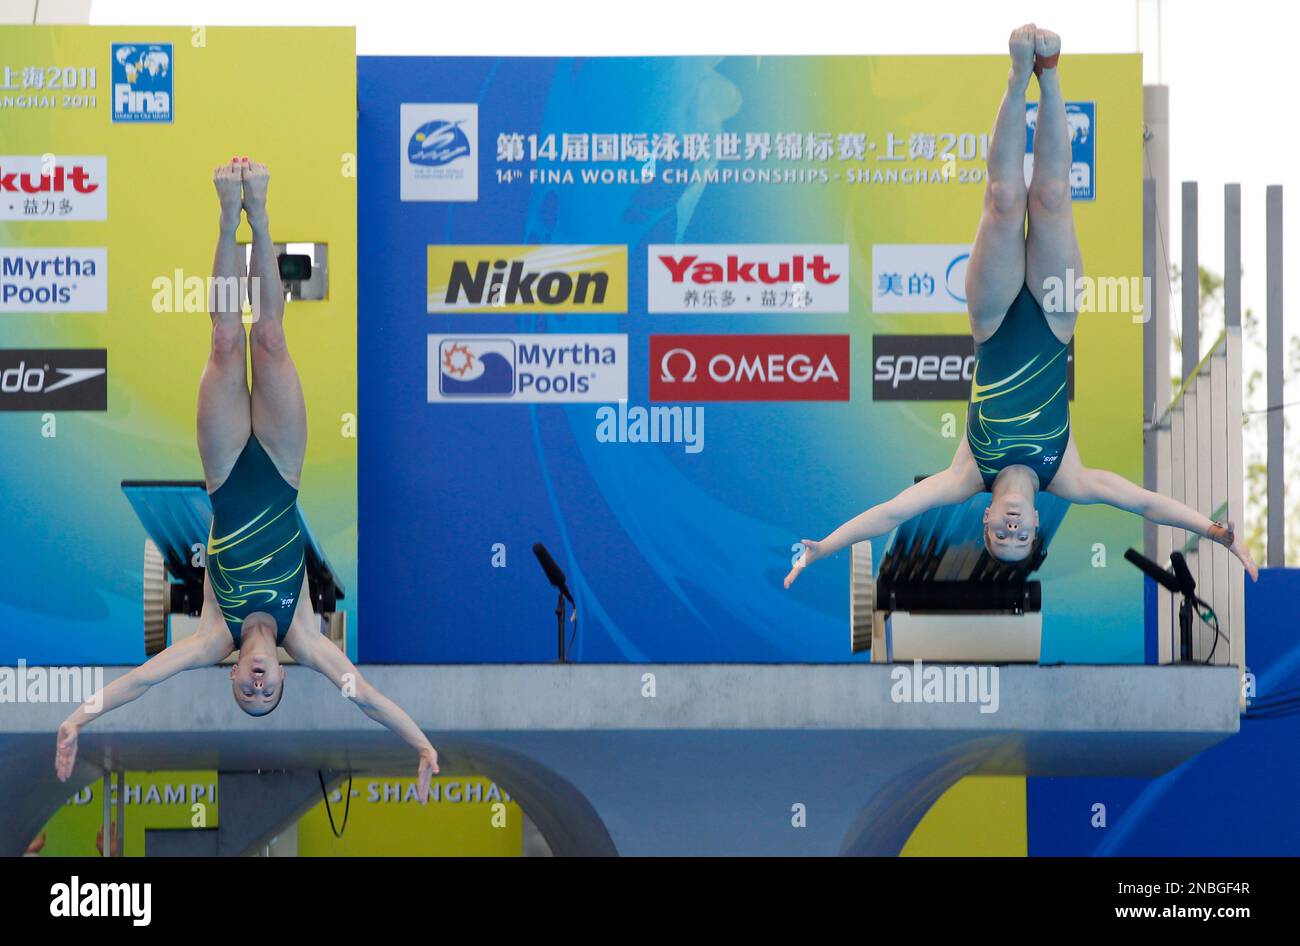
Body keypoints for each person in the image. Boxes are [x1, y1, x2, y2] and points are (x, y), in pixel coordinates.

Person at [785, 24, 1258, 590]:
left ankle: (1017, 77)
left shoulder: (966, 474)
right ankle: (1051, 71)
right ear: (1037, 523)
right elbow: (1144, 503)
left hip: (991, 320)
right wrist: (1216, 533)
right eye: (1022, 538)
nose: (1011, 531)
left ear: (984, 519)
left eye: (999, 537)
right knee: (1053, 196)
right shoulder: (1069, 477)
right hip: (1054, 322)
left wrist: (823, 549)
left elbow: (891, 512)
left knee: (1005, 199)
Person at [56, 158, 440, 799]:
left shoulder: (212, 637)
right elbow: (365, 695)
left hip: (227, 468)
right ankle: (259, 211)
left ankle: (225, 213)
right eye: (269, 693)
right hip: (283, 468)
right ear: (284, 675)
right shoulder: (305, 638)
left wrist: (74, 719)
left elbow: (142, 680)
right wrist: (421, 743)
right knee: (271, 341)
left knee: (225, 343)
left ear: (235, 674)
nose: (257, 686)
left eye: (247, 694)